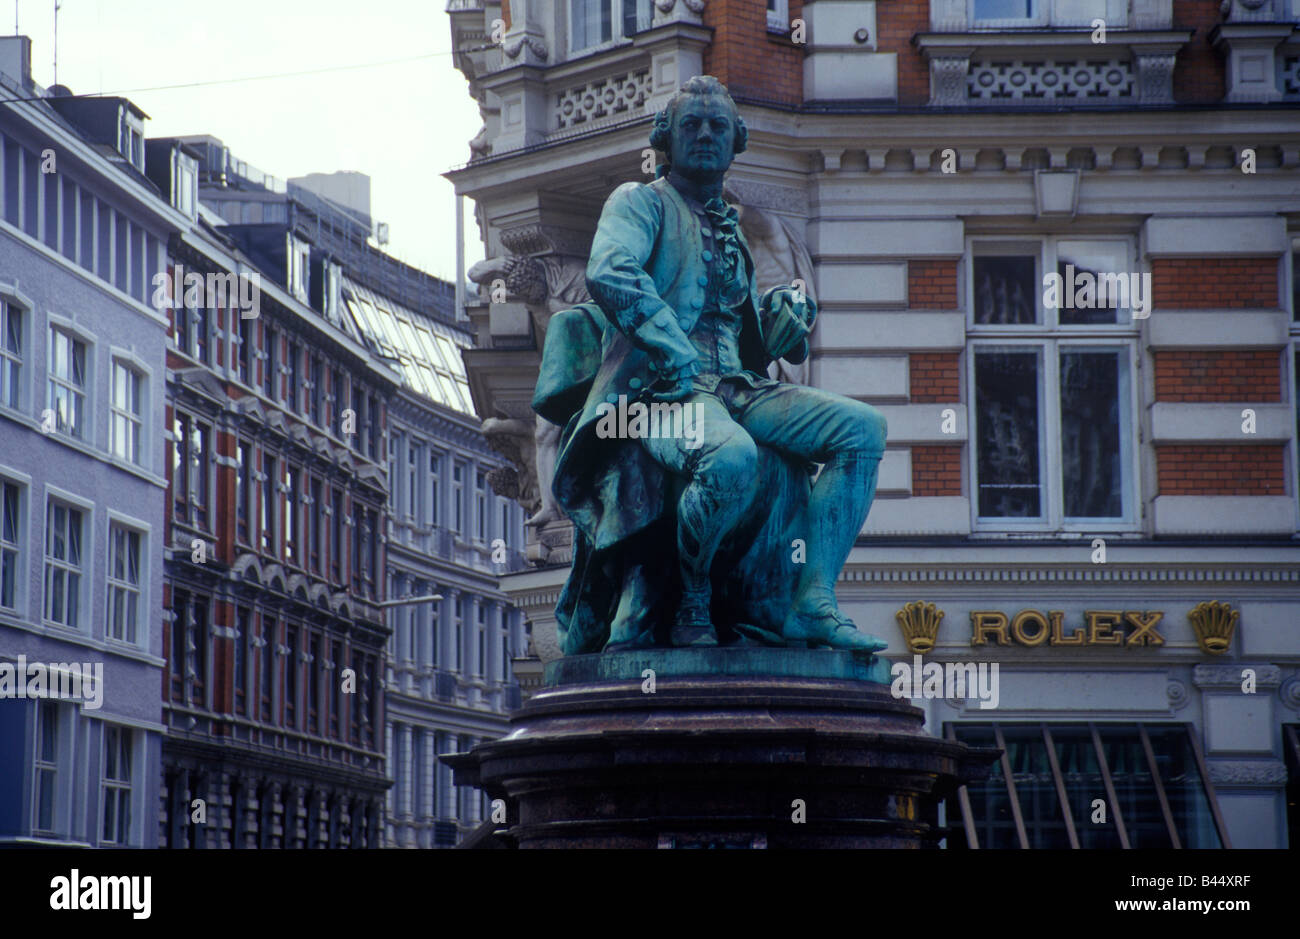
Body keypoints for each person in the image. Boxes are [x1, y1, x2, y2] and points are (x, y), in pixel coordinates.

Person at [545, 75, 888, 652]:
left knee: (862, 429)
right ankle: (694, 594)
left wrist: (783, 321)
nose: (705, 135)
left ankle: (812, 601)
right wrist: (669, 343)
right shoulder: (639, 202)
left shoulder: (732, 229)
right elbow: (609, 270)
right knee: (731, 459)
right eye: (691, 126)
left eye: (718, 127)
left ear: (736, 143)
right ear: (667, 139)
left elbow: (742, 334)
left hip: (736, 388)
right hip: (658, 396)